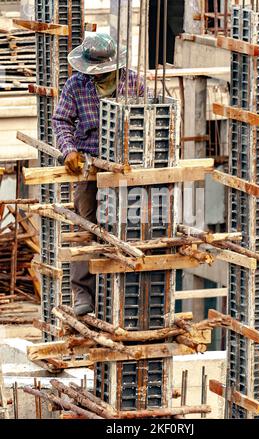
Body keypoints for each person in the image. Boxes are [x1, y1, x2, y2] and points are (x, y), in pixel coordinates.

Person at [52, 33, 144, 316]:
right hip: (90, 163)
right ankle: (83, 293)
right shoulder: (76, 84)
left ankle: (127, 294)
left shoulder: (134, 83)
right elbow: (61, 120)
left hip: (126, 165)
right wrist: (68, 150)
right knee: (86, 227)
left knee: (129, 226)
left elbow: (146, 118)